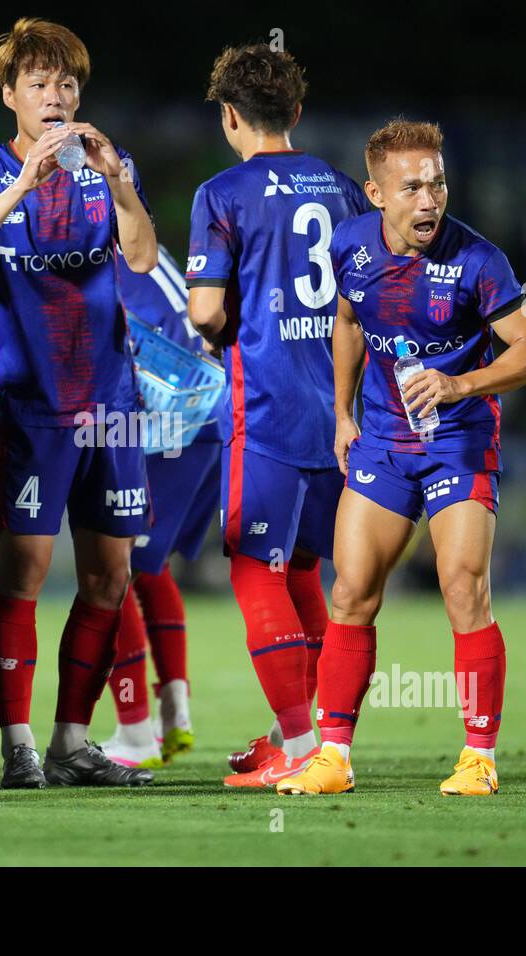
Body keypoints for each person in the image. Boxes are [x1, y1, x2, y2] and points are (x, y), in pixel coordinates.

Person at [276, 118, 526, 797]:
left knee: (463, 587)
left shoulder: (478, 261)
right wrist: (342, 414)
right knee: (350, 592)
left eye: (438, 184)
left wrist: (461, 383)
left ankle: (479, 757)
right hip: (382, 442)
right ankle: (334, 757)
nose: (430, 200)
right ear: (375, 193)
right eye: (412, 188)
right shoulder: (349, 247)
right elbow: (347, 322)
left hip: (458, 441)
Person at [0, 17, 157, 788]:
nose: (56, 95)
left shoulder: (109, 167)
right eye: (38, 82)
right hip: (36, 404)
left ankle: (74, 739)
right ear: (8, 94)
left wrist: (121, 180)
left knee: (110, 577)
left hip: (113, 402)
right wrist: (20, 184)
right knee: (24, 575)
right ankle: (17, 746)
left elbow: (139, 256)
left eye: (67, 83)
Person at [185, 43, 367, 788]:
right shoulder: (346, 188)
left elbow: (205, 310)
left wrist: (216, 335)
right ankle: (318, 739)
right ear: (295, 113)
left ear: (230, 116)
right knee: (306, 570)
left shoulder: (221, 194)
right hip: (344, 416)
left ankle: (298, 746)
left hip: (265, 409)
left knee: (255, 569)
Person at [102, 245, 216, 768]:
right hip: (192, 419)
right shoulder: (131, 243)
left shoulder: (117, 250)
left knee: (112, 567)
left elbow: (188, 335)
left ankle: (134, 732)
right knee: (146, 566)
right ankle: (174, 714)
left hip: (176, 421)